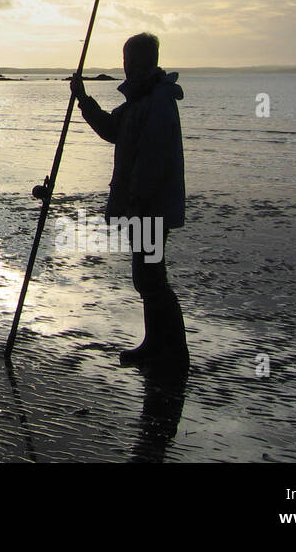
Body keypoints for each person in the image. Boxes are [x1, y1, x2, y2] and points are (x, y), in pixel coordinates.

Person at [71, 32, 188, 370]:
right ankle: (159, 344)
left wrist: (137, 202)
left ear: (144, 61)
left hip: (151, 209)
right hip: (143, 208)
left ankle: (171, 349)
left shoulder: (158, 102)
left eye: (130, 60)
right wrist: (84, 99)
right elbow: (111, 130)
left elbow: (154, 160)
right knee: (148, 277)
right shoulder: (140, 100)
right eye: (124, 59)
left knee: (151, 277)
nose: (125, 66)